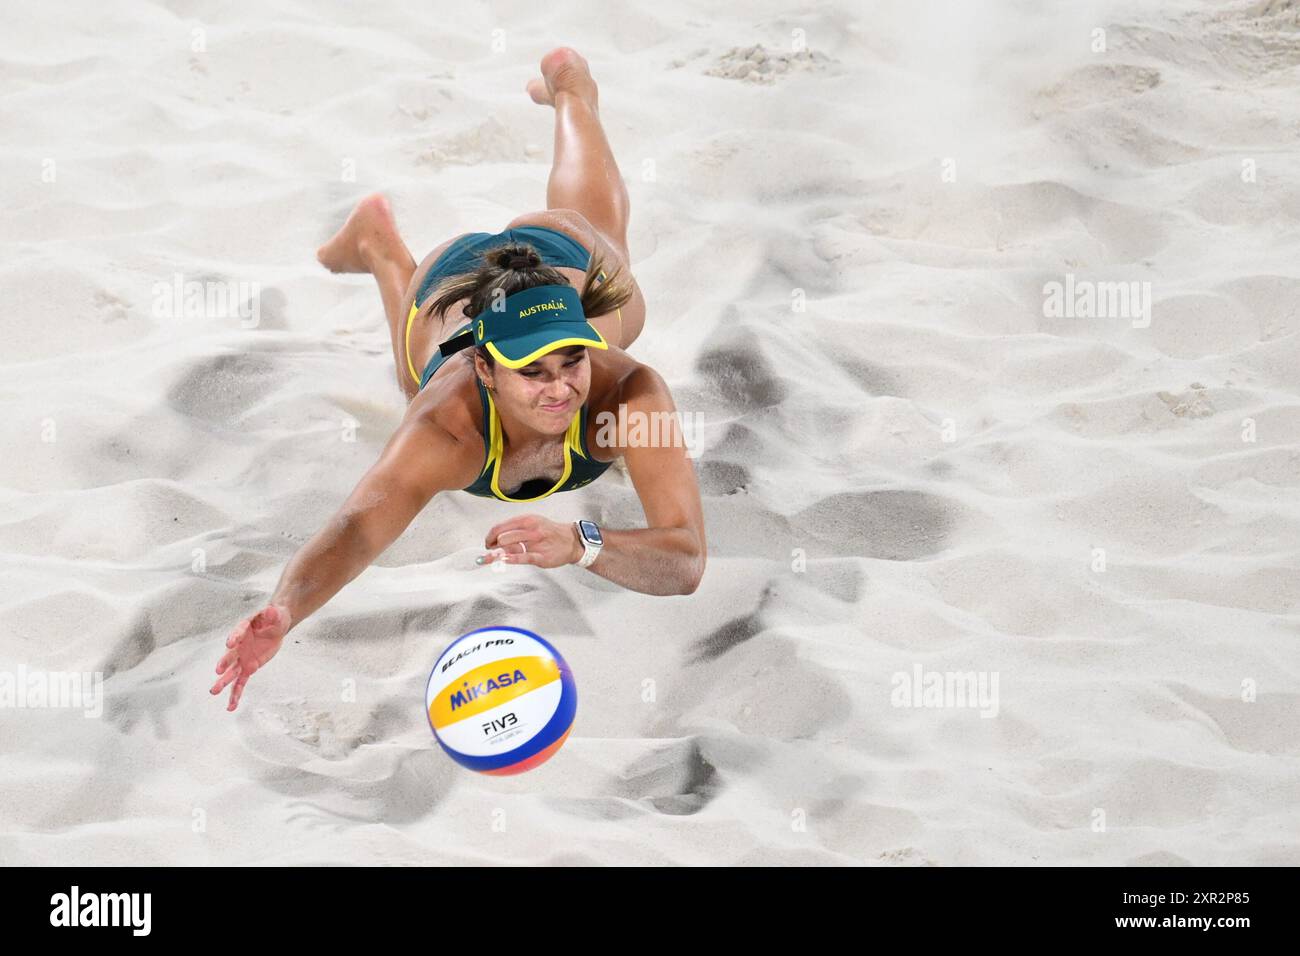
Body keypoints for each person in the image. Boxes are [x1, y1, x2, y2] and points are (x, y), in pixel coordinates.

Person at [211, 48, 706, 712]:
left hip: (557, 258)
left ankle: (572, 92)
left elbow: (686, 560)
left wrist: (581, 544)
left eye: (571, 361)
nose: (561, 388)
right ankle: (381, 249)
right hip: (449, 286)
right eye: (532, 371)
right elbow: (358, 528)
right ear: (484, 367)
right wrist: (283, 610)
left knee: (608, 250)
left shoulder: (625, 395)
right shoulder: (447, 426)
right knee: (410, 377)